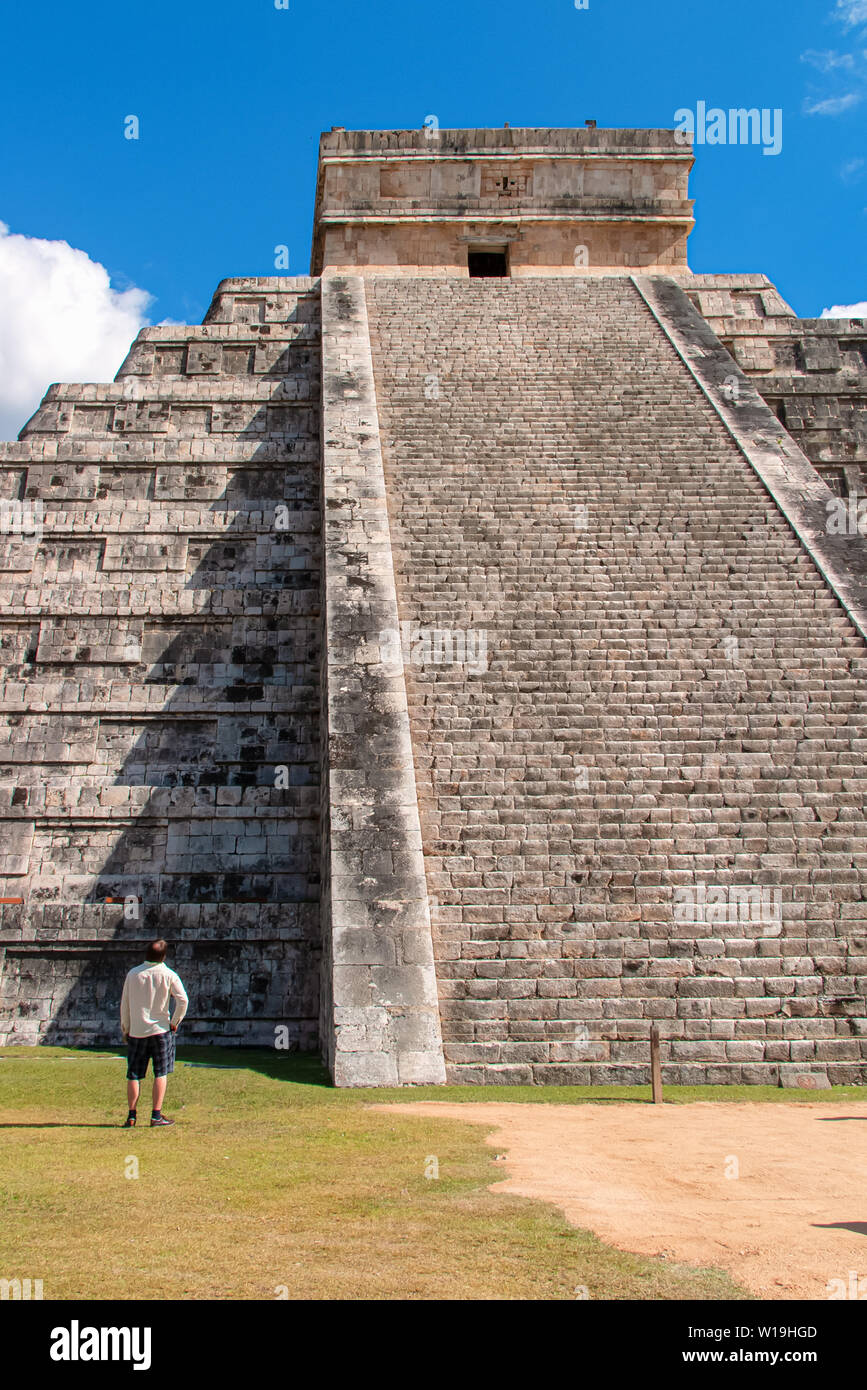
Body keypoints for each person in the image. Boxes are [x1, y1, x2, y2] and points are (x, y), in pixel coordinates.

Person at [120, 939, 188, 1128]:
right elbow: (183, 1000)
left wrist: (126, 1028)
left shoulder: (133, 974)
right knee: (161, 1072)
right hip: (160, 1030)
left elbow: (124, 1004)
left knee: (134, 1074)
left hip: (137, 1030)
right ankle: (156, 1115)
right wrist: (174, 1022)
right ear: (163, 956)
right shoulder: (168, 974)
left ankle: (132, 1115)